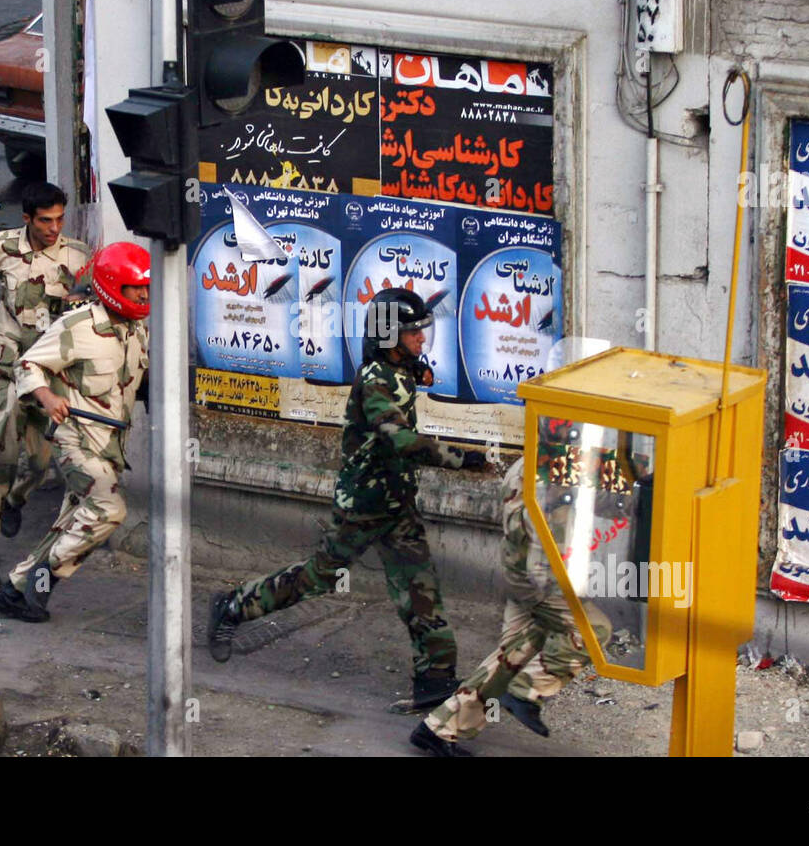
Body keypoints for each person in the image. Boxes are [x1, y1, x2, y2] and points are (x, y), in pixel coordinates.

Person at [207, 287, 488, 710]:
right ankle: (232, 606)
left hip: (396, 503)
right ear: (388, 336)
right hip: (364, 506)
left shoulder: (402, 366)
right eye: (413, 334)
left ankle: (436, 681)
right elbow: (397, 437)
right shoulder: (375, 379)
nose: (422, 340)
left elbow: (417, 373)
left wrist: (420, 368)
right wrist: (460, 458)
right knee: (319, 577)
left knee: (420, 588)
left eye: (422, 333)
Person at [410, 418, 613, 756]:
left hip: (522, 576)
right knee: (592, 631)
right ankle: (526, 693)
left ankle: (439, 728)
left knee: (510, 658)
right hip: (541, 580)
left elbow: (604, 495)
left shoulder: (532, 463)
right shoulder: (554, 468)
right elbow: (598, 495)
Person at [0, 242, 150, 622]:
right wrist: (47, 397)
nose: (144, 295)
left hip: (111, 443)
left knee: (73, 519)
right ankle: (45, 578)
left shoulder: (136, 330)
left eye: (147, 287)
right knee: (108, 511)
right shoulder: (77, 327)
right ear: (114, 285)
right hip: (76, 438)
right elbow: (27, 365)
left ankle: (15, 592)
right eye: (136, 288)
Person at [0, 183, 93, 592]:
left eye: (58, 220)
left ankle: (16, 499)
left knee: (37, 461)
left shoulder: (78, 256)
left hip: (52, 376)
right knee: (2, 451)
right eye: (45, 221)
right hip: (12, 368)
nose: (54, 228)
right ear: (28, 219)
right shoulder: (3, 248)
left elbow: (90, 306)